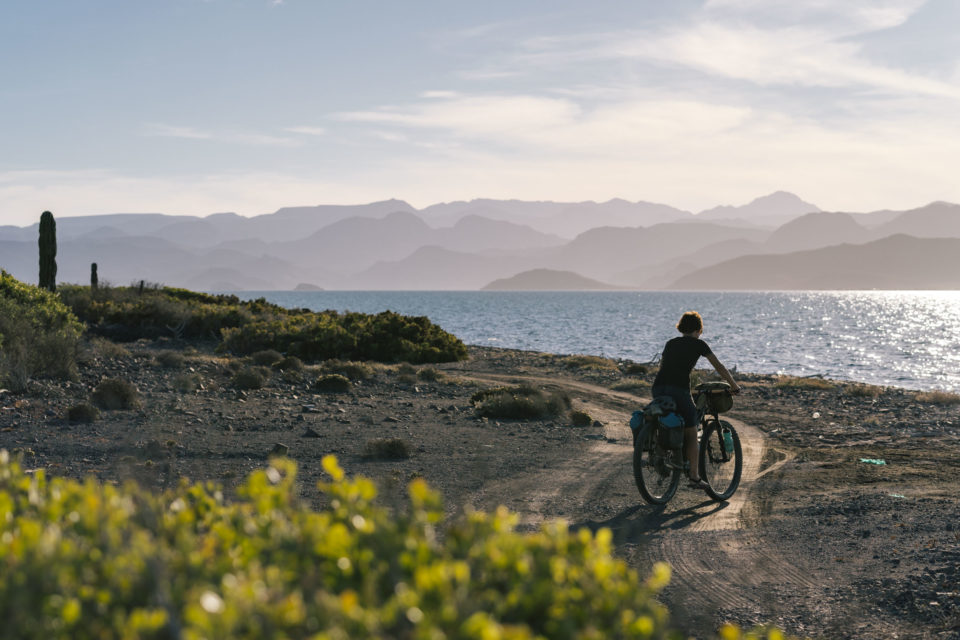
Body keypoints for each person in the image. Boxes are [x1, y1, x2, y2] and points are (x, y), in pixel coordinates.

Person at [651, 311, 740, 490]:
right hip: (679, 389)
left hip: (658, 388)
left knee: (669, 418)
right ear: (699, 329)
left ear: (682, 327)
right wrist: (734, 385)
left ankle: (662, 454)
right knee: (692, 431)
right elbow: (719, 367)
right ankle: (694, 477)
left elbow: (666, 366)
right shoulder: (699, 344)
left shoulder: (671, 343)